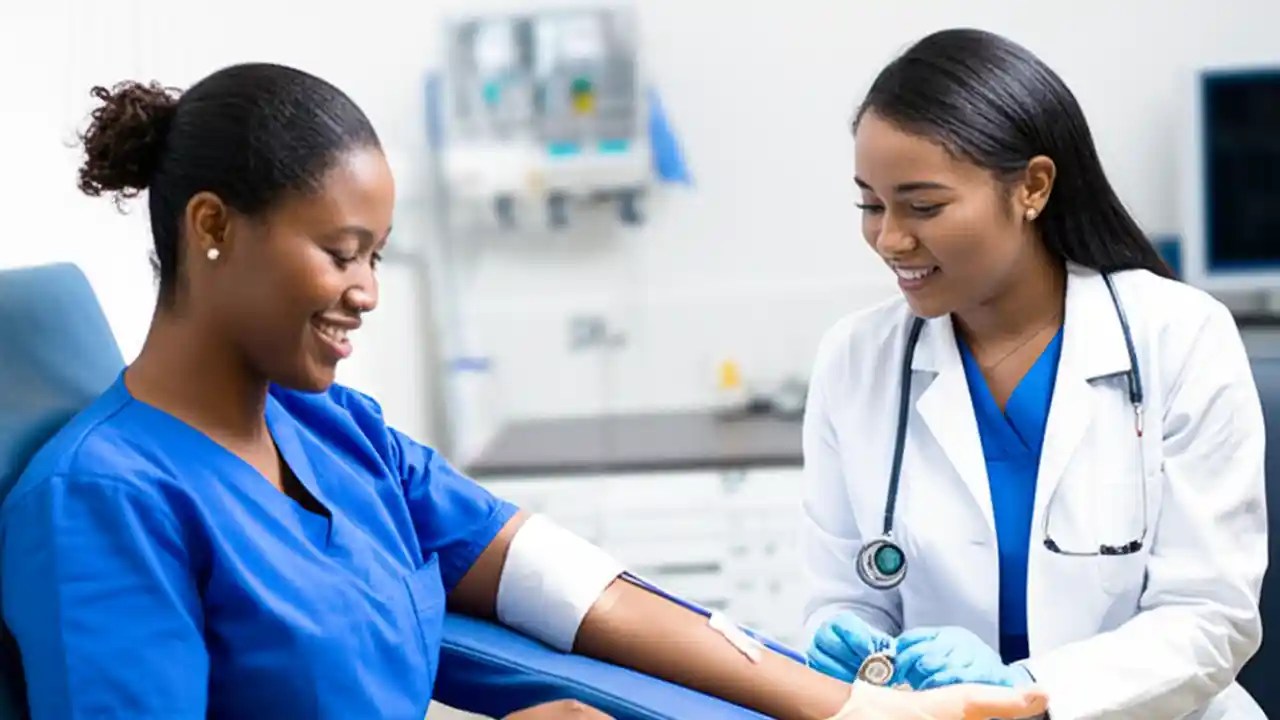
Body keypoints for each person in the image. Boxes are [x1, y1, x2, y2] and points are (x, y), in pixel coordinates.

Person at [0, 62, 1049, 720]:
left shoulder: (330, 433)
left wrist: (847, 713)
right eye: (340, 252)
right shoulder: (104, 500)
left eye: (380, 255)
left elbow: (568, 588)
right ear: (214, 228)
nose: (367, 292)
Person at [800, 27, 1269, 719]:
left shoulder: (1179, 336)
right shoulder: (856, 360)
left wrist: (1026, 689)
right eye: (871, 204)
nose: (890, 238)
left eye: (923, 206)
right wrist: (841, 640)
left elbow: (1209, 620)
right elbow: (845, 595)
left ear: (1033, 187)